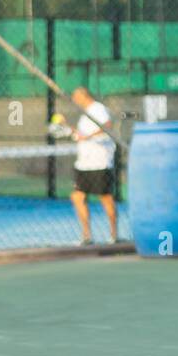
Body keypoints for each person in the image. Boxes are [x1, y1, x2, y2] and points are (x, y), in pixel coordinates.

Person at [68, 85, 118, 246]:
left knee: (105, 198)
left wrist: (87, 137)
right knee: (77, 197)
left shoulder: (98, 109)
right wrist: (67, 127)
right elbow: (82, 135)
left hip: (100, 161)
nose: (74, 100)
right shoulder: (84, 115)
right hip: (84, 163)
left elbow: (107, 126)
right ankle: (87, 235)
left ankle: (114, 235)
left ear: (84, 96)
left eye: (76, 97)